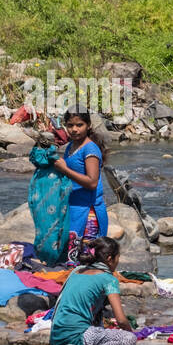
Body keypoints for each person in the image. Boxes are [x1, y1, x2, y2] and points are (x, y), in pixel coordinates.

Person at [49, 236, 137, 345]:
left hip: (56, 338)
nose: (118, 262)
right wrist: (132, 333)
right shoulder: (108, 279)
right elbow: (121, 320)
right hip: (76, 339)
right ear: (109, 259)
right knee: (129, 339)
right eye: (118, 257)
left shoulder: (76, 271)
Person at [54, 109, 109, 263]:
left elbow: (92, 182)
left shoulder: (90, 149)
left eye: (80, 125)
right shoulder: (71, 146)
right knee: (71, 260)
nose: (74, 129)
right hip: (75, 209)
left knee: (86, 261)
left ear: (88, 125)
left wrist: (64, 169)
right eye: (70, 125)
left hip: (88, 213)